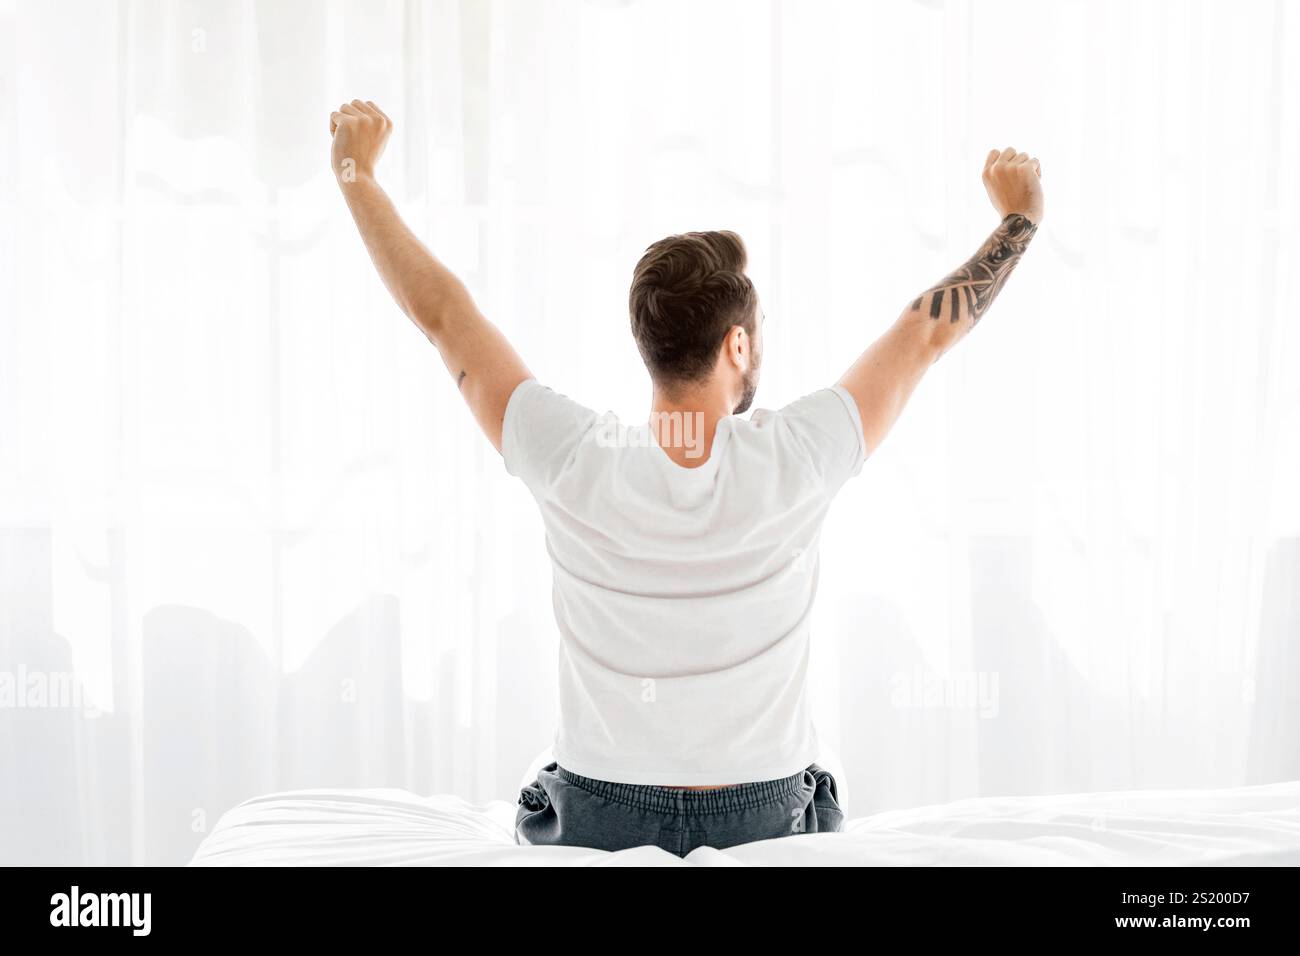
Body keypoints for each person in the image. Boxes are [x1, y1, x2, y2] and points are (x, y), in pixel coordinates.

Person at [328, 99, 1043, 856]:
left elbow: (440, 313)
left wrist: (356, 175)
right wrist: (1018, 219)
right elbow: (927, 332)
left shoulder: (571, 453)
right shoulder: (802, 453)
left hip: (603, 814)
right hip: (763, 813)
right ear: (736, 345)